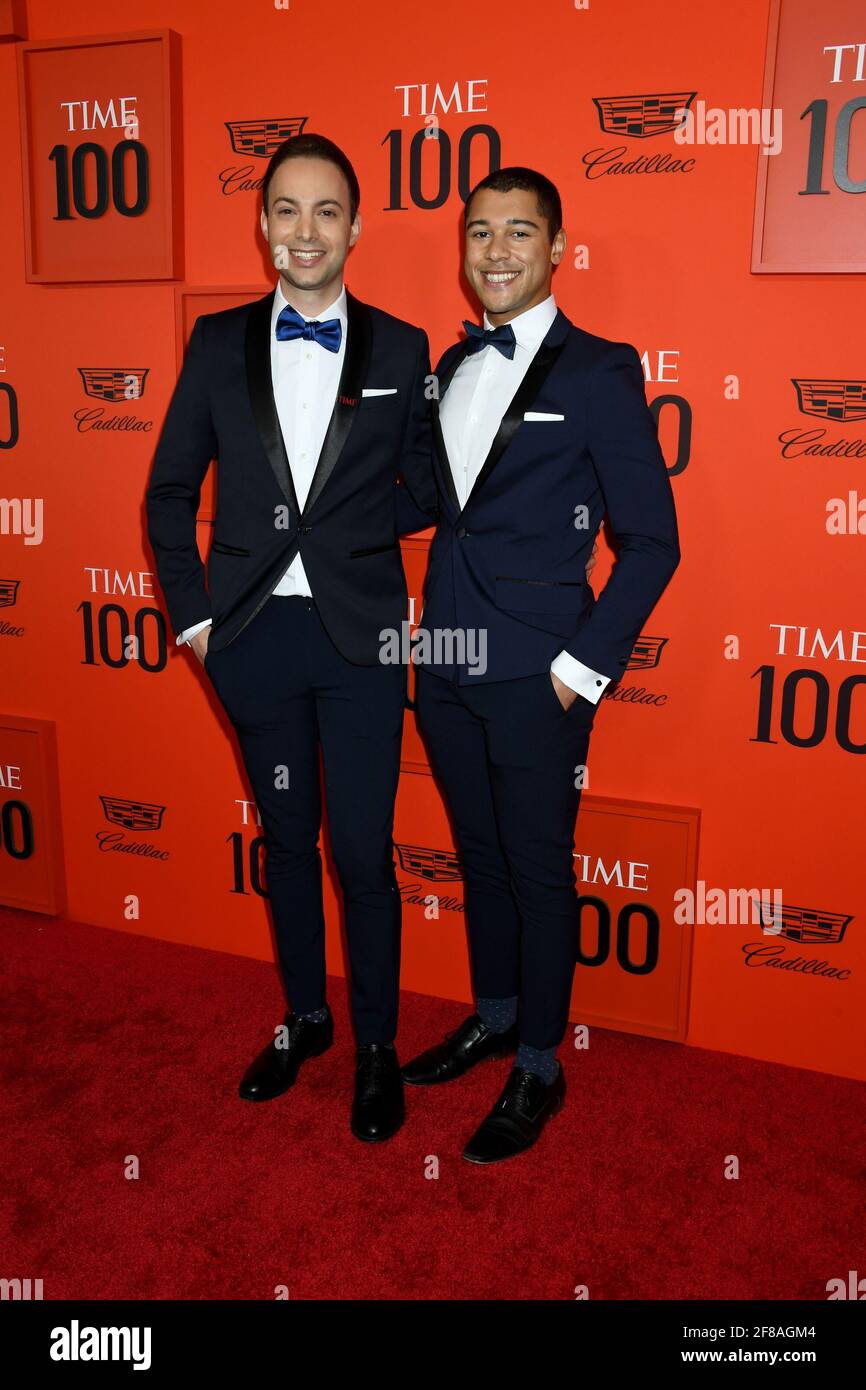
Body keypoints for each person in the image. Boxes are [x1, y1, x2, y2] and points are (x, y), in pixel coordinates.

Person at [145, 134, 437, 1144]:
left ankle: (374, 1047)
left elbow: (431, 486)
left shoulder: (403, 348)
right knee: (283, 841)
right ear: (263, 225)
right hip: (254, 641)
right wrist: (196, 624)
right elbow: (170, 493)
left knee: (362, 853)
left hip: (360, 644)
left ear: (355, 227)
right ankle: (307, 1019)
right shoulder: (217, 342)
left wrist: (349, 528)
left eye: (325, 212)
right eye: (285, 210)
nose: (304, 231)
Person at [401, 167, 681, 1164]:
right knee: (478, 860)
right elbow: (435, 504)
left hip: (537, 675)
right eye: (481, 232)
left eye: (520, 231)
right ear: (464, 247)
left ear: (556, 247)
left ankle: (538, 1064)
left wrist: (577, 670)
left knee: (535, 870)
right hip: (441, 662)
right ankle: (491, 1015)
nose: (498, 250)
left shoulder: (599, 370)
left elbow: (650, 542)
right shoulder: (449, 361)